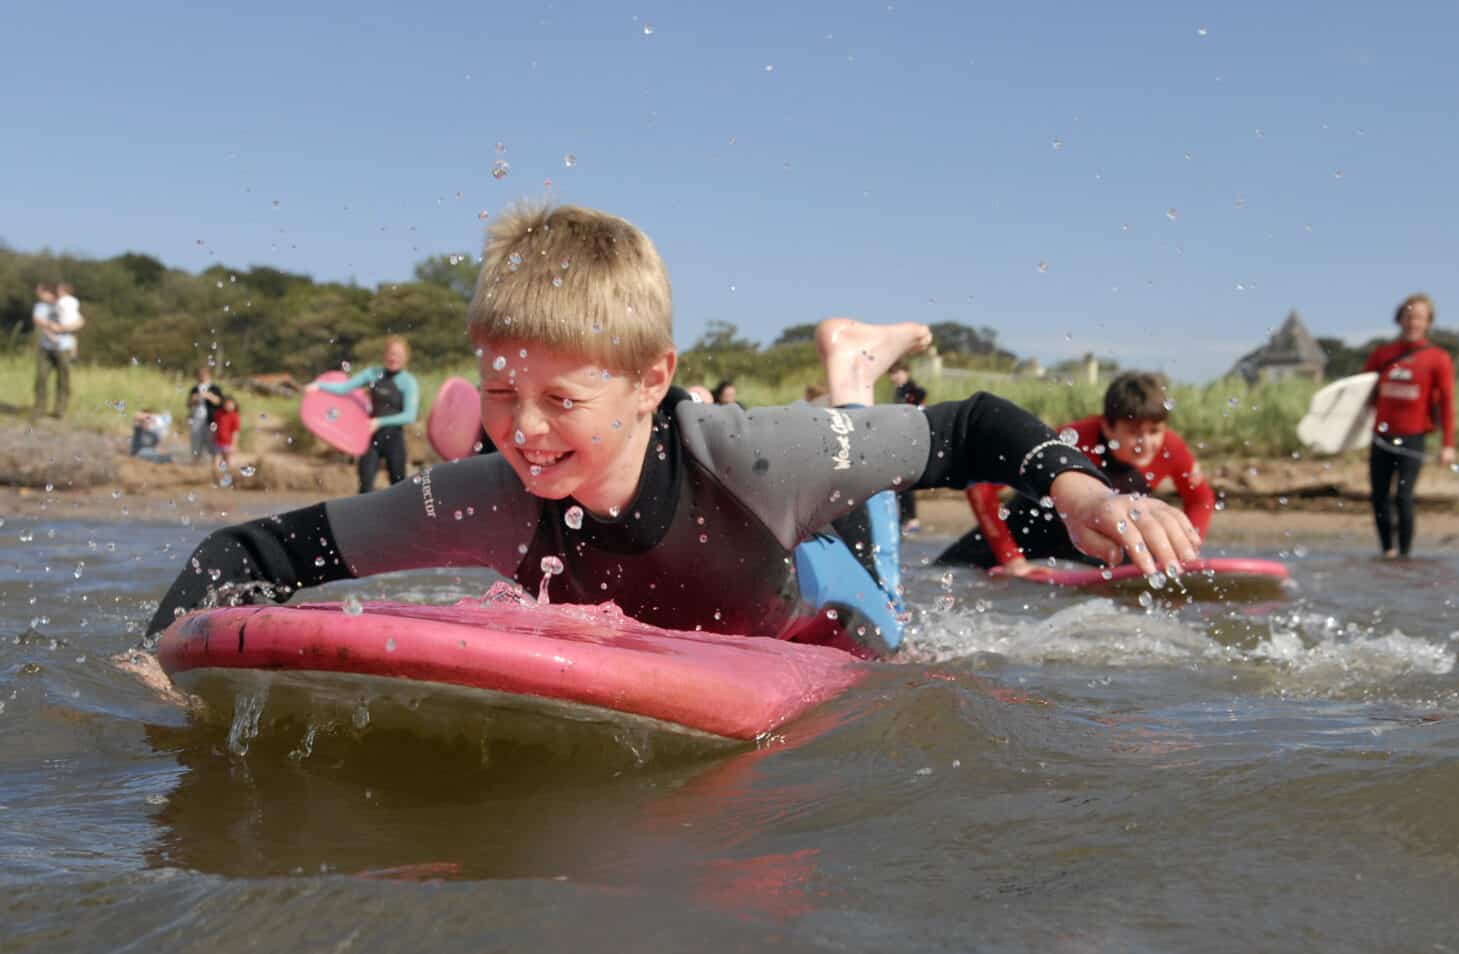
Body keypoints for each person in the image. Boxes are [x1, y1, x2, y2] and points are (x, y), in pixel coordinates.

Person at [144, 204, 1198, 656]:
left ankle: (856, 367)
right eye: (502, 396)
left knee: (883, 601)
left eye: (564, 400)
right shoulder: (487, 495)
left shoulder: (742, 455)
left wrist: (1092, 493)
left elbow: (970, 428)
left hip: (812, 584)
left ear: (653, 380)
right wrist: (162, 657)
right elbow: (256, 551)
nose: (524, 431)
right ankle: (850, 368)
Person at [937, 370, 1215, 576]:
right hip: (1028, 530)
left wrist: (1185, 551)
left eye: (1154, 431)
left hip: (1089, 542)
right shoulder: (1073, 440)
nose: (1146, 443)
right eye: (1133, 432)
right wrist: (1011, 558)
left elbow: (1201, 499)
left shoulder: (1172, 447)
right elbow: (981, 488)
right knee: (946, 572)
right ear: (1107, 427)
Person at [1362, 293, 1456, 559]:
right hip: (1380, 437)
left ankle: (1404, 555)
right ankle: (1387, 551)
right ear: (1399, 319)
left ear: (1427, 322)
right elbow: (1361, 396)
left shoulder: (1438, 358)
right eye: (1408, 316)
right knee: (1378, 497)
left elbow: (1447, 404)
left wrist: (1448, 445)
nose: (1412, 322)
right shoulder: (1382, 355)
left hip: (1413, 437)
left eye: (1418, 317)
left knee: (1403, 497)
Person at [310, 337, 421, 493]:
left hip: (393, 439)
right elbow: (344, 388)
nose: (393, 358)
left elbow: (410, 415)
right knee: (365, 487)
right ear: (385, 354)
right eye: (390, 353)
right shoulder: (373, 373)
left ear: (405, 357)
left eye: (397, 354)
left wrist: (379, 422)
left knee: (399, 487)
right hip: (370, 438)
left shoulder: (408, 382)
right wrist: (319, 386)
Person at [889, 362, 928, 533]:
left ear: (906, 372)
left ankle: (910, 519)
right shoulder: (899, 391)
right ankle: (905, 518)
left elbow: (917, 409)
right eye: (892, 374)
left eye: (898, 372)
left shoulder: (913, 391)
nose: (894, 377)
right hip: (902, 439)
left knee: (905, 482)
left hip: (911, 440)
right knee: (899, 482)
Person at [31, 284, 70, 420]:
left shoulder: (65, 303)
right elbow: (37, 320)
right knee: (41, 378)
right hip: (46, 348)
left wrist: (61, 327)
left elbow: (79, 321)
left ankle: (60, 410)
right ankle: (39, 409)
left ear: (50, 293)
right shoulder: (40, 306)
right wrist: (50, 327)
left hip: (63, 348)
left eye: (42, 293)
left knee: (63, 380)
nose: (40, 296)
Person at [186, 367, 225, 462]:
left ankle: (214, 465)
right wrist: (193, 399)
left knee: (212, 443)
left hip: (211, 420)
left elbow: (220, 402)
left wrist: (209, 396)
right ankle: (195, 463)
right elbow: (188, 404)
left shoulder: (214, 388)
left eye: (204, 374)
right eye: (200, 375)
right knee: (196, 442)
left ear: (209, 375)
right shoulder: (195, 389)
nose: (202, 377)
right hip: (196, 419)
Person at [53, 282, 85, 359]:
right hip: (77, 320)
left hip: (66, 322)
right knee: (73, 336)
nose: (58, 292)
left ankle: (60, 354)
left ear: (63, 291)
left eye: (59, 290)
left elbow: (57, 311)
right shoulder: (74, 300)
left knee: (56, 335)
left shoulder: (61, 301)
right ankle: (73, 354)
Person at [211, 397, 241, 479]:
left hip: (228, 442)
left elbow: (236, 432)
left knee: (228, 461)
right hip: (218, 441)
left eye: (231, 405)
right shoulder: (218, 413)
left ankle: (230, 477)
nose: (229, 406)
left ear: (234, 406)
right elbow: (214, 426)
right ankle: (215, 477)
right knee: (215, 461)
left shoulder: (234, 416)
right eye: (227, 404)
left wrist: (234, 444)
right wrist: (213, 436)